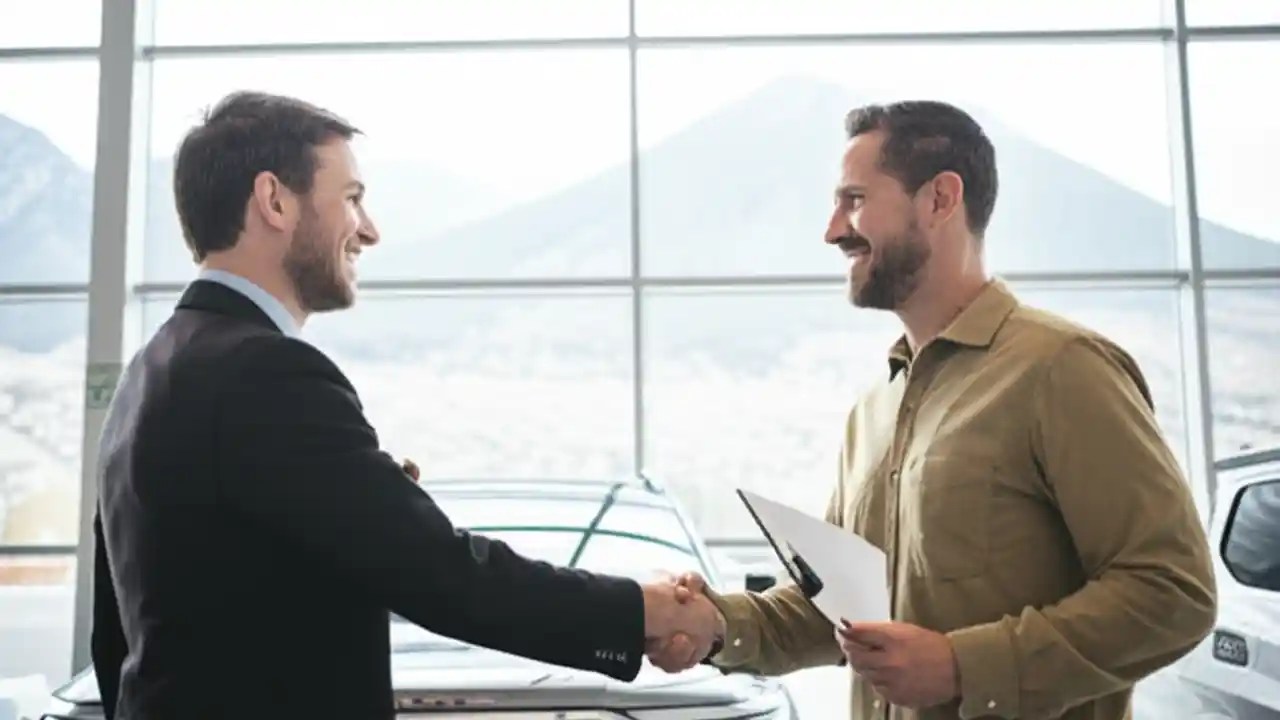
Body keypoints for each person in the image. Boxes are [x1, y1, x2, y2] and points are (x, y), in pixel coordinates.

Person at [89, 90, 719, 720]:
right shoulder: (268, 374)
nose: (369, 230)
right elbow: (442, 574)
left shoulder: (148, 374)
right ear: (274, 200)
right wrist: (643, 611)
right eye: (352, 199)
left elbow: (116, 640)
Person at [644, 100, 1217, 720]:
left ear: (941, 199)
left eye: (855, 200)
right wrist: (716, 625)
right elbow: (836, 613)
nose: (833, 230)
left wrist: (961, 666)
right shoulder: (873, 412)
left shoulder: (1062, 369)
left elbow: (1172, 592)